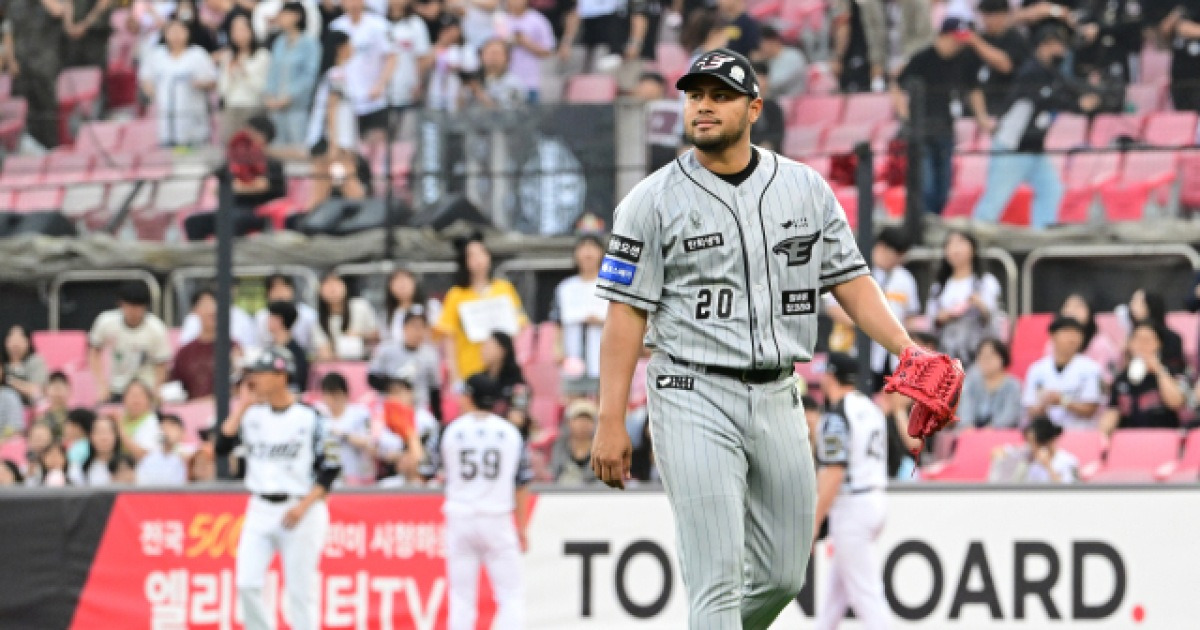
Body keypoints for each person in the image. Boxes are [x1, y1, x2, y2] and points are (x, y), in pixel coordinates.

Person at [591, 49, 927, 628]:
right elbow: (625, 314)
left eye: (719, 95)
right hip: (689, 389)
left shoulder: (805, 189)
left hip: (778, 391)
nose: (703, 106)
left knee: (782, 577)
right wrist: (609, 418)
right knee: (717, 581)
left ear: (753, 109)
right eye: (695, 94)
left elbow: (850, 280)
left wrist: (909, 350)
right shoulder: (649, 200)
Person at [215, 347, 340, 630]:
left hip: (300, 508)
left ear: (281, 376)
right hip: (260, 507)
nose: (253, 380)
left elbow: (331, 467)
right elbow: (222, 447)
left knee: (300, 593)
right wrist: (243, 406)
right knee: (246, 583)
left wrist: (303, 506)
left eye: (260, 373)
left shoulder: (310, 416)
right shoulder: (252, 416)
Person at [973, 25, 1102, 229]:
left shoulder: (1052, 72)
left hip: (1034, 148)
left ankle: (1043, 233)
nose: (1059, 51)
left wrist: (1092, 92)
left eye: (1060, 46)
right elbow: (1046, 98)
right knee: (995, 199)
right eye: (1054, 45)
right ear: (1042, 47)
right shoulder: (1030, 72)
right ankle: (976, 238)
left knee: (1051, 189)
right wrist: (1077, 104)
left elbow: (1069, 87)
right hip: (1012, 148)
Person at [438, 373, 531, 630]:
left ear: (469, 397)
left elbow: (432, 471)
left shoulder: (451, 430)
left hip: (460, 516)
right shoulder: (510, 433)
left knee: (461, 598)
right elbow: (522, 483)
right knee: (510, 595)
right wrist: (521, 527)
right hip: (497, 517)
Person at [813, 353, 891, 630]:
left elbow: (834, 472)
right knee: (835, 596)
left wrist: (814, 522)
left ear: (831, 376)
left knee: (866, 596)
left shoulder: (837, 414)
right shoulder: (870, 407)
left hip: (852, 504)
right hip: (874, 496)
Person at [893, 18, 986, 216]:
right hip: (922, 131)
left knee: (943, 189)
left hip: (945, 130)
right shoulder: (922, 59)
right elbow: (896, 84)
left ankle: (933, 219)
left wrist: (982, 117)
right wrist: (906, 115)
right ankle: (923, 222)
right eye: (955, 39)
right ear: (942, 36)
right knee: (925, 185)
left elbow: (974, 89)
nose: (958, 44)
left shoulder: (964, 60)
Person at [824, 227, 920, 390]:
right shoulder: (856, 270)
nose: (896, 260)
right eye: (894, 254)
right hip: (852, 349)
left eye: (901, 256)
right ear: (881, 247)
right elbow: (832, 308)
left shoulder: (905, 278)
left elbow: (910, 315)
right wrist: (868, 323)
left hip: (888, 354)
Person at [435, 234, 528, 388]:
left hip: (502, 369)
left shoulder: (504, 288)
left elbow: (520, 323)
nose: (478, 259)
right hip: (470, 369)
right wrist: (454, 375)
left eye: (482, 253)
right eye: (472, 255)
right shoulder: (456, 295)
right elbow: (449, 337)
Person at [184, 116, 287, 241]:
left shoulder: (271, 163)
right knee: (193, 221)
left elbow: (262, 185)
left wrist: (235, 186)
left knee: (233, 219)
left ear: (262, 136)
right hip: (232, 209)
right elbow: (218, 186)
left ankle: (228, 259)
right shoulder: (236, 160)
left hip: (258, 211)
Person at [304, 30, 370, 210]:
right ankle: (367, 220)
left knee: (321, 188)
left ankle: (308, 226)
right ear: (340, 48)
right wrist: (334, 143)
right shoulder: (337, 75)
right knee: (349, 182)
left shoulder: (335, 74)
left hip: (326, 140)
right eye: (349, 45)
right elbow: (332, 109)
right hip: (333, 142)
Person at [925, 230, 1002, 366]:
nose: (955, 249)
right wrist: (940, 317)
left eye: (961, 242)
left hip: (977, 352)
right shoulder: (939, 287)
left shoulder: (985, 282)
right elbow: (930, 320)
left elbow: (994, 318)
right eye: (950, 244)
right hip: (946, 351)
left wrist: (979, 304)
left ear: (973, 249)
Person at [139, 18, 219, 147]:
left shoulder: (197, 54)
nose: (176, 35)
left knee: (192, 160)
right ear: (165, 34)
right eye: (172, 31)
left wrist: (201, 84)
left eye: (180, 31)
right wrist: (152, 92)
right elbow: (146, 78)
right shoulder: (157, 55)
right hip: (165, 119)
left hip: (192, 117)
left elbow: (213, 81)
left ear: (187, 33)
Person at [88, 281, 172, 403]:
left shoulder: (156, 329)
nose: (134, 312)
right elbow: (94, 352)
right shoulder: (106, 322)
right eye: (130, 306)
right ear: (121, 304)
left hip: (145, 388)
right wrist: (101, 384)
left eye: (138, 307)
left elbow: (161, 363)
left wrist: (156, 388)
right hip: (116, 386)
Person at [330, 0, 398, 145]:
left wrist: (380, 85)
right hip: (347, 99)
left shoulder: (379, 25)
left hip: (374, 99)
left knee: (376, 144)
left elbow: (392, 57)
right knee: (349, 146)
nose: (353, 4)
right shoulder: (336, 26)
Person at [550, 235, 608, 397]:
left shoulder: (611, 285)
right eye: (583, 248)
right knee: (574, 408)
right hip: (573, 359)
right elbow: (557, 322)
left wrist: (601, 320)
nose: (587, 253)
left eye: (593, 248)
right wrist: (558, 350)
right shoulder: (566, 287)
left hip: (603, 358)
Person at [1101, 323, 1186, 434]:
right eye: (1138, 339)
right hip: (1129, 440)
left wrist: (1159, 371)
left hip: (1163, 438)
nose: (1142, 345)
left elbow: (1176, 402)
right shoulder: (1121, 378)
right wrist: (1106, 426)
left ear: (1159, 344)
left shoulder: (1171, 371)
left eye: (1148, 340)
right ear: (1130, 344)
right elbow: (1113, 409)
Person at [1023, 316, 1105, 429]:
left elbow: (1090, 408)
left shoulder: (1091, 368)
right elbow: (1030, 406)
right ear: (1052, 335)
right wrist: (1041, 407)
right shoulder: (1037, 369)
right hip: (1047, 435)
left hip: (1080, 433)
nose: (1072, 338)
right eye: (1066, 332)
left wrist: (1062, 400)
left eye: (1077, 333)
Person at [7, 0, 64, 149]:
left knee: (47, 112)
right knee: (25, 113)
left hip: (44, 64)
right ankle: (29, 150)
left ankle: (51, 149)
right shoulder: (14, 4)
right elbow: (8, 31)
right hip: (22, 66)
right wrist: (11, 60)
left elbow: (59, 12)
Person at [264, 3, 321, 151]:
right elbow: (272, 72)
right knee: (276, 150)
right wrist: (269, 94)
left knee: (298, 150)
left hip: (297, 109)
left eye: (285, 14)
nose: (281, 18)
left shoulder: (310, 44)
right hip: (276, 109)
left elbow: (309, 76)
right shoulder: (279, 43)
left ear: (297, 16)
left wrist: (290, 96)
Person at [369, 307, 443, 415]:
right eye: (414, 327)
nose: (418, 332)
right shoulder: (387, 349)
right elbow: (372, 377)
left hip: (418, 408)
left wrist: (437, 415)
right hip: (389, 406)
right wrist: (394, 387)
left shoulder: (430, 355)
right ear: (404, 327)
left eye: (422, 327)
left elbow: (434, 388)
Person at [170, 289, 243, 400]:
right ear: (195, 310)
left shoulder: (233, 347)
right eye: (205, 305)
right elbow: (175, 388)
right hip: (192, 412)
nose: (211, 310)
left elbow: (241, 386)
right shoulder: (185, 353)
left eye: (214, 304)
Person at [964, 0, 1028, 124]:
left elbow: (1006, 65)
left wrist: (976, 42)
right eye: (984, 15)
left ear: (1003, 14)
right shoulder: (981, 37)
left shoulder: (1015, 39)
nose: (986, 20)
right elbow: (970, 78)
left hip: (1006, 104)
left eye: (990, 15)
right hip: (978, 105)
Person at [217, 13, 271, 143]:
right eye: (234, 30)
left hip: (252, 107)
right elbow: (222, 90)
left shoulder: (262, 56)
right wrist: (230, 73)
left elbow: (263, 87)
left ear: (251, 31)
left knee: (252, 147)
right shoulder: (228, 57)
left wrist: (244, 73)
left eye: (242, 29)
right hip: (231, 108)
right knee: (230, 145)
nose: (238, 34)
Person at [317, 372, 376, 486]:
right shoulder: (320, 414)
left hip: (356, 474)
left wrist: (344, 435)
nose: (332, 400)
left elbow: (370, 444)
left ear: (344, 394)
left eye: (335, 395)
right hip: (329, 477)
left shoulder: (360, 413)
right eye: (328, 395)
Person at [990, 416, 1078, 483]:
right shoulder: (1029, 455)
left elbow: (1068, 491)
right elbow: (996, 452)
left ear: (1048, 441)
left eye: (1033, 442)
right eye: (1028, 441)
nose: (1030, 446)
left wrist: (1048, 466)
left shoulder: (1067, 461)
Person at [385, 0, 433, 124]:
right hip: (381, 94)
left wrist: (418, 83)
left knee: (406, 138)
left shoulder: (415, 24)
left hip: (408, 91)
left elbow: (422, 57)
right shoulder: (379, 23)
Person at [957, 338, 1023, 429]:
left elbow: (1010, 416)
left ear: (1002, 358)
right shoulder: (971, 383)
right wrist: (969, 427)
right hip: (971, 434)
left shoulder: (1013, 385)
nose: (985, 361)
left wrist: (991, 430)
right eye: (981, 356)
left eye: (990, 356)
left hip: (1002, 435)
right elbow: (965, 411)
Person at [496, 0, 554, 101]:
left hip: (530, 82)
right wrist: (510, 42)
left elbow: (547, 51)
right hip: (505, 82)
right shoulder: (502, 20)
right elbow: (495, 46)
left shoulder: (538, 20)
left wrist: (526, 42)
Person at [314, 271, 379, 361]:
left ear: (344, 286)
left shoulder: (360, 305)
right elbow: (323, 348)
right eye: (327, 286)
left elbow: (376, 334)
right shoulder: (319, 321)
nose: (332, 289)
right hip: (337, 363)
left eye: (336, 284)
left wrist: (359, 335)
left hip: (365, 360)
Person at [1054, 293, 1121, 377]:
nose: (1072, 311)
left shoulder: (1101, 344)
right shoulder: (1053, 343)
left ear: (1089, 312)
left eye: (1078, 306)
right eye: (1068, 306)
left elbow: (1106, 378)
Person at [1123, 289, 1185, 375]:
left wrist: (1157, 368)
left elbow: (1177, 371)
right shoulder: (1130, 335)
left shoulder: (1171, 338)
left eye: (1138, 303)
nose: (1132, 306)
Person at [180, 285, 259, 352]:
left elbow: (248, 349)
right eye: (205, 304)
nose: (210, 310)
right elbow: (185, 343)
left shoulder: (242, 317)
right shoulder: (192, 319)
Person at [255, 274, 320, 352]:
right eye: (274, 289)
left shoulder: (309, 315)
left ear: (292, 290)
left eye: (284, 287)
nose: (279, 293)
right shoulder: (261, 316)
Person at [381, 268, 442, 343]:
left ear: (414, 283)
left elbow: (440, 334)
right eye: (397, 283)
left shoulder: (431, 307)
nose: (402, 286)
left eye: (405, 282)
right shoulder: (389, 314)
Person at [1160, 3, 1200, 112]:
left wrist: (1193, 30)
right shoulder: (1180, 5)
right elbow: (1164, 30)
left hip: (1197, 75)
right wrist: (1173, 19)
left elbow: (1188, 29)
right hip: (1180, 75)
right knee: (1182, 119)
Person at [464, 39, 526, 109]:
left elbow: (509, 111)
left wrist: (479, 93)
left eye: (497, 53)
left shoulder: (514, 83)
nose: (493, 57)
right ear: (481, 56)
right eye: (489, 53)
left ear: (507, 58)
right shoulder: (472, 79)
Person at [478, 331, 528, 419]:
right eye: (483, 346)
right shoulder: (477, 381)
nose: (483, 351)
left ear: (503, 350)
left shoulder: (518, 386)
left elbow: (518, 417)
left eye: (488, 347)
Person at [549, 399, 599, 484]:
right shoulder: (558, 447)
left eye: (588, 419)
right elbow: (553, 473)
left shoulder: (601, 449)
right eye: (578, 419)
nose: (583, 424)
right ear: (568, 422)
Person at [265, 301, 312, 391]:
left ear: (279, 320)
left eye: (271, 316)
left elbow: (298, 382)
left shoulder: (296, 353)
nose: (267, 320)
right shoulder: (269, 349)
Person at [136, 414, 190, 486]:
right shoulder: (149, 459)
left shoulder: (190, 453)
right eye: (163, 427)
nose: (166, 431)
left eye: (171, 426)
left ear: (182, 432)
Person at [68, 414, 123, 486]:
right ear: (90, 437)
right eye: (99, 432)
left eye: (108, 432)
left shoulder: (127, 465)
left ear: (116, 436)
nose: (104, 438)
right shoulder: (79, 468)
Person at [117, 380, 163, 462]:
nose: (136, 400)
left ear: (149, 400)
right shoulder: (121, 417)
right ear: (124, 399)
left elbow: (142, 455)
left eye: (140, 395)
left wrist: (119, 428)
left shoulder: (152, 421)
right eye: (132, 395)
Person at [2, 324, 47, 406]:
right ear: (6, 342)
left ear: (28, 342)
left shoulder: (35, 361)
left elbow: (37, 391)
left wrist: (8, 380)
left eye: (19, 340)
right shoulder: (2, 363)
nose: (15, 344)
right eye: (12, 340)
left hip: (29, 409)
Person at [755, 25, 806, 96]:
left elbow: (777, 82)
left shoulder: (792, 56)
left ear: (772, 41)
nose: (760, 48)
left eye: (761, 43)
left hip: (794, 100)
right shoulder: (769, 60)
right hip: (775, 101)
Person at [64, 0, 113, 69]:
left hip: (95, 33)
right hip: (74, 33)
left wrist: (85, 25)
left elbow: (103, 4)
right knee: (72, 68)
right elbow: (68, 3)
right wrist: (68, 25)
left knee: (93, 69)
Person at [748, 62, 784, 152]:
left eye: (764, 78)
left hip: (771, 153)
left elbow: (778, 133)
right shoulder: (742, 109)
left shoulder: (774, 107)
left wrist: (768, 143)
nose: (762, 83)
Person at [36, 372, 72, 437]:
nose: (57, 391)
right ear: (46, 390)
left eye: (61, 387)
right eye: (54, 387)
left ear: (69, 390)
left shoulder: (73, 417)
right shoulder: (41, 418)